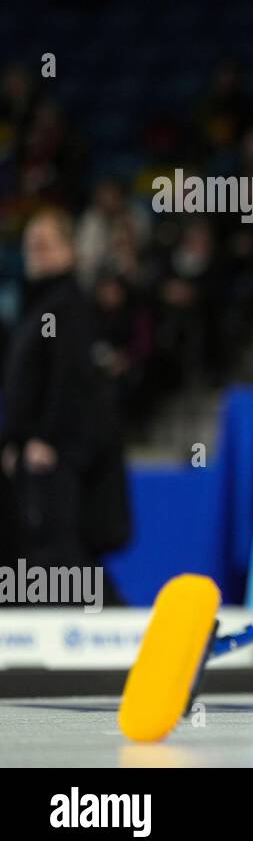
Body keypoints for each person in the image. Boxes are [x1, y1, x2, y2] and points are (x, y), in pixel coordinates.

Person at [1, 209, 129, 605]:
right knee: (45, 549)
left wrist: (46, 439)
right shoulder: (39, 307)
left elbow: (68, 377)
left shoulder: (65, 306)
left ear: (70, 250)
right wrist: (13, 441)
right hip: (31, 452)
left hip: (53, 454)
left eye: (46, 244)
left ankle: (114, 627)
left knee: (61, 549)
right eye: (31, 245)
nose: (36, 252)